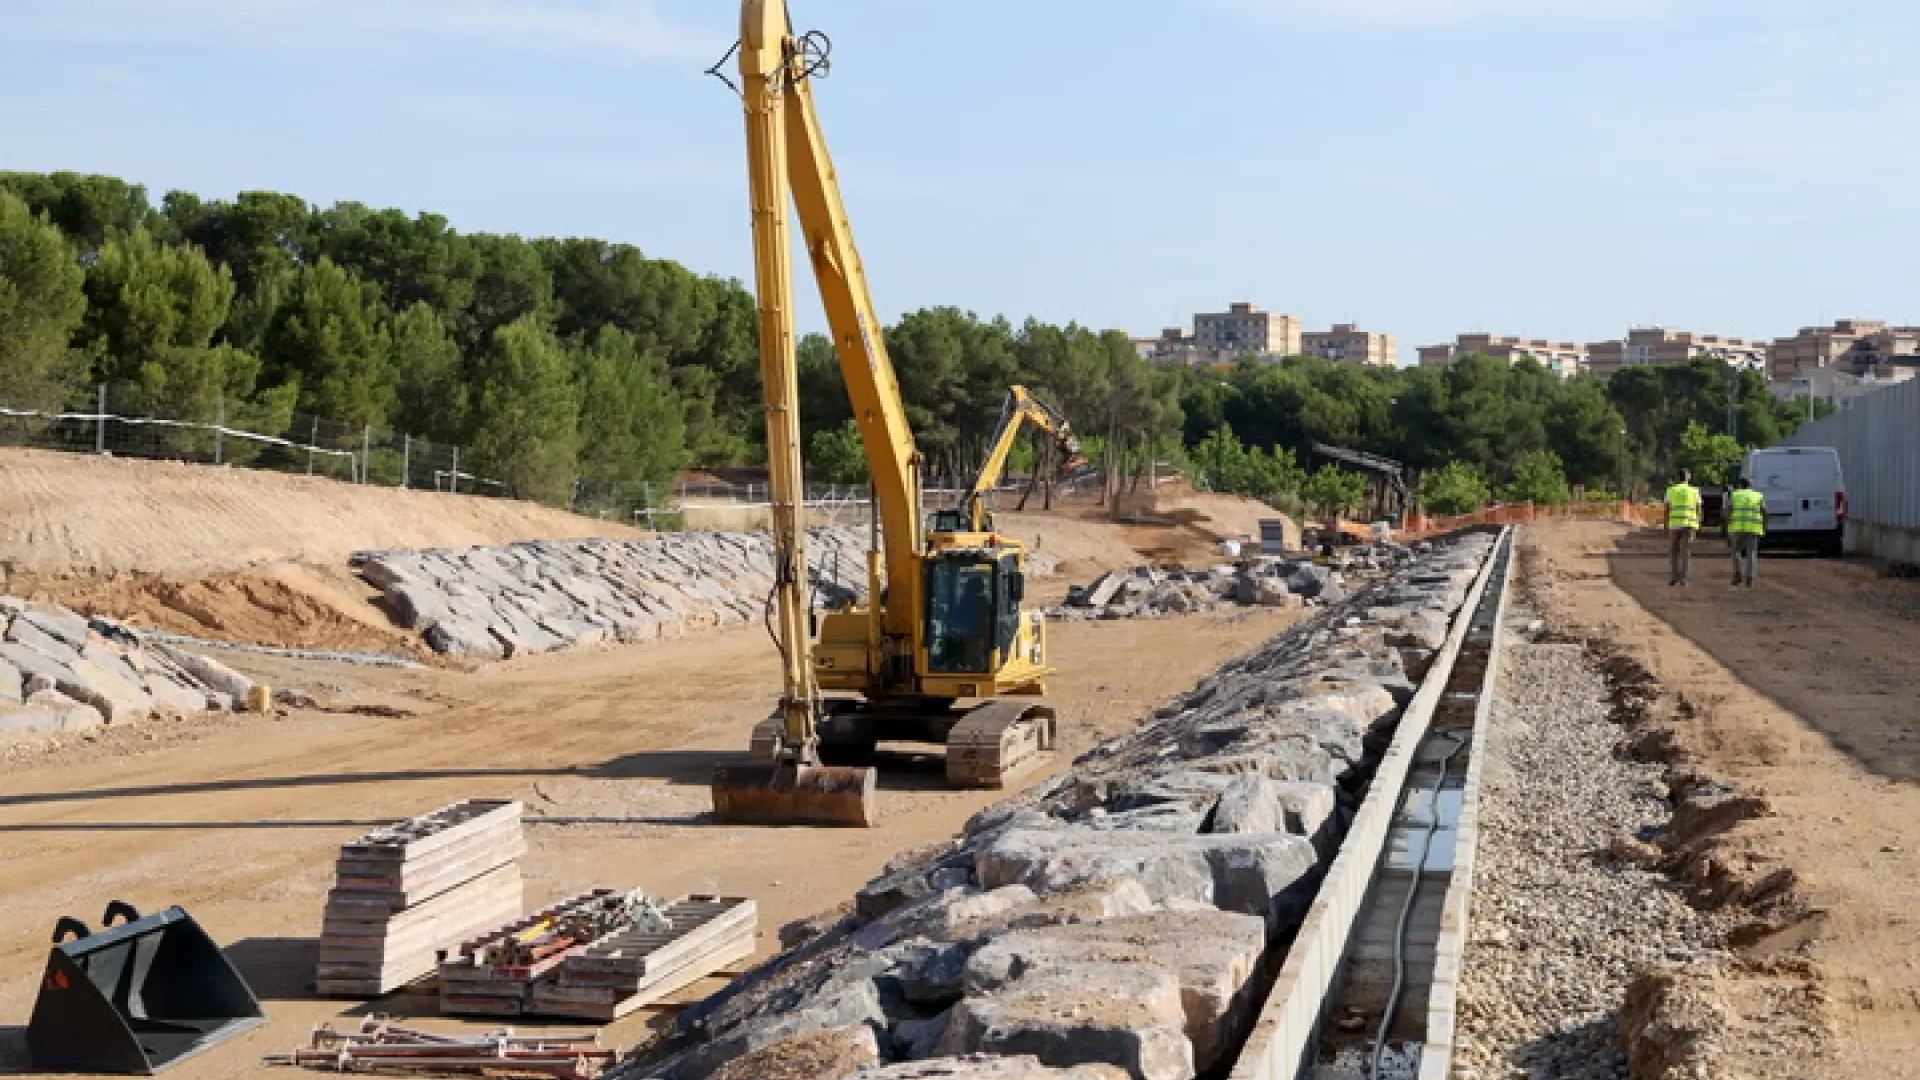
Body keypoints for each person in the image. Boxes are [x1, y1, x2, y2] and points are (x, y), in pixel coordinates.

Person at [1726, 475, 1766, 587]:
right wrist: (1764, 525)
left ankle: (1737, 575)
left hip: (1737, 528)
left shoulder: (1734, 495)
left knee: (1736, 552)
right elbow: (1764, 511)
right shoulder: (1758, 496)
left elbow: (1729, 510)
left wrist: (1728, 523)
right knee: (1751, 554)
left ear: (1740, 485)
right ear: (1750, 485)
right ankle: (1750, 578)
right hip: (1753, 528)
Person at [1664, 468, 1701, 586]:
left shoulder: (1671, 490)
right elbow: (1698, 509)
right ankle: (1683, 578)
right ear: (1688, 478)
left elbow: (1667, 510)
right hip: (1689, 525)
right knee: (1685, 552)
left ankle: (1674, 576)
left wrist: (1666, 525)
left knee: (1673, 551)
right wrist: (1698, 524)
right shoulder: (1695, 491)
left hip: (1674, 525)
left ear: (1677, 478)